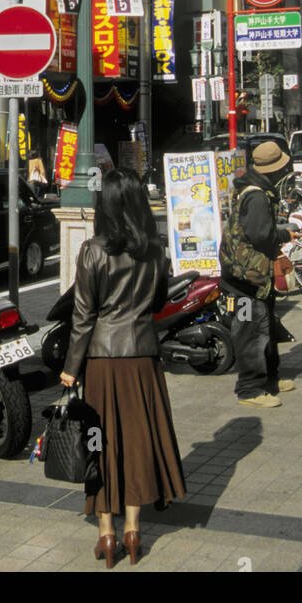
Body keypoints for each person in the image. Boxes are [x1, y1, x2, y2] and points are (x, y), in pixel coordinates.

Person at [60, 168, 186, 569]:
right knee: (135, 440)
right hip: (143, 358)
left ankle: (106, 534)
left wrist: (70, 369)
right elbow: (158, 301)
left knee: (100, 442)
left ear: (106, 204)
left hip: (101, 360)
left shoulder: (93, 250)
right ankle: (133, 528)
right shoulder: (154, 248)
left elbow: (83, 316)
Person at [220, 140, 297, 408]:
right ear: (274, 171)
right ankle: (249, 390)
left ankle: (270, 379)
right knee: (250, 331)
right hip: (243, 278)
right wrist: (285, 234)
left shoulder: (253, 188)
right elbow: (260, 234)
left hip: (252, 274)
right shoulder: (256, 196)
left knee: (265, 326)